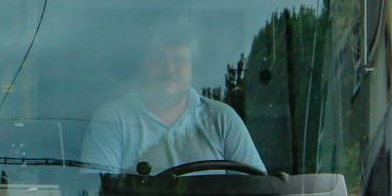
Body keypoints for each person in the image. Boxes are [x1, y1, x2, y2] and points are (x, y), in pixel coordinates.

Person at [81, 19, 264, 175]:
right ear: (145, 64)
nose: (169, 69)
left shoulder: (223, 119)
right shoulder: (111, 119)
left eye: (179, 60)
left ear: (193, 68)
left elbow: (258, 193)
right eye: (159, 59)